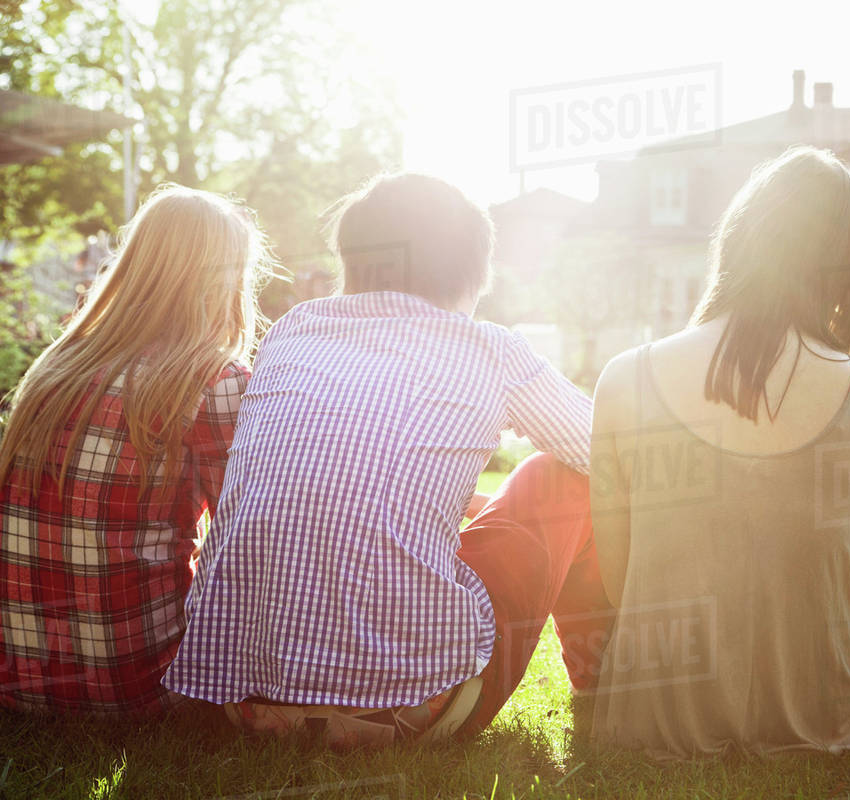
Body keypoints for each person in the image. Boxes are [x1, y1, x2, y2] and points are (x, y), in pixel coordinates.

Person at [163, 173, 612, 748]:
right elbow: (608, 452)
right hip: (406, 711)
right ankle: (605, 687)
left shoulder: (293, 331)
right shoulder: (489, 347)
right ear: (473, 274)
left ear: (351, 264)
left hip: (241, 705)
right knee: (561, 479)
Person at [587, 146, 850, 759]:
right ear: (846, 266)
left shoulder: (624, 378)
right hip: (818, 704)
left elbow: (616, 574)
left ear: (736, 240)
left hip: (659, 708)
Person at [0, 185, 274, 716]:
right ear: (225, 277)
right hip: (138, 685)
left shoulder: (58, 366)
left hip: (17, 679)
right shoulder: (212, 379)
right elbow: (248, 547)